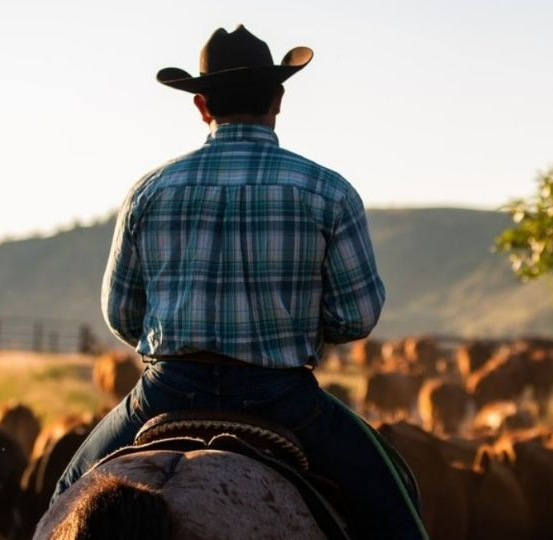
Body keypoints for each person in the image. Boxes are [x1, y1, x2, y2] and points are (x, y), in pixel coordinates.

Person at [52, 25, 428, 539]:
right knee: (395, 503)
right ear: (277, 99)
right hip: (282, 397)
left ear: (202, 106)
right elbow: (356, 318)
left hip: (169, 389)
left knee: (63, 497)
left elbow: (122, 314)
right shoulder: (328, 191)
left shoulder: (149, 191)